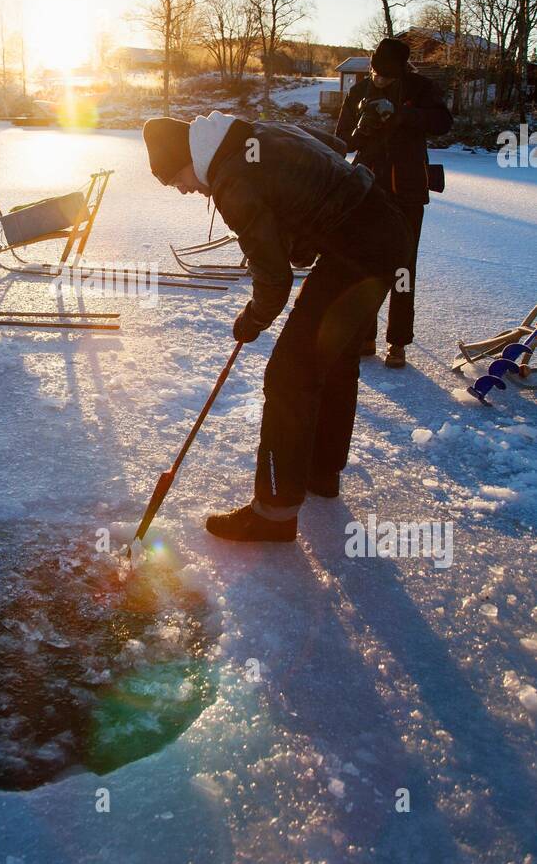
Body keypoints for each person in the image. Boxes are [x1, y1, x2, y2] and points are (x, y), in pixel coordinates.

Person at [142, 110, 414, 544]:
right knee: (335, 356)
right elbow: (334, 148)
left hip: (360, 251)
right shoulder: (256, 132)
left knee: (289, 374)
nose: (184, 188)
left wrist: (252, 320)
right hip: (382, 232)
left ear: (191, 156)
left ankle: (274, 512)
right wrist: (301, 224)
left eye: (177, 178)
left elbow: (274, 280)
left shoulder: (232, 179)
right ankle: (320, 472)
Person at [335, 37, 452, 368]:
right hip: (368, 189)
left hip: (409, 190)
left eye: (386, 75)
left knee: (402, 266)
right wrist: (361, 128)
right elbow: (342, 138)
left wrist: (402, 115)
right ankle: (366, 335)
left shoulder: (421, 88)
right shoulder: (359, 91)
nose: (379, 80)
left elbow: (443, 123)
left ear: (401, 71)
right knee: (364, 263)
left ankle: (398, 342)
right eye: (375, 72)